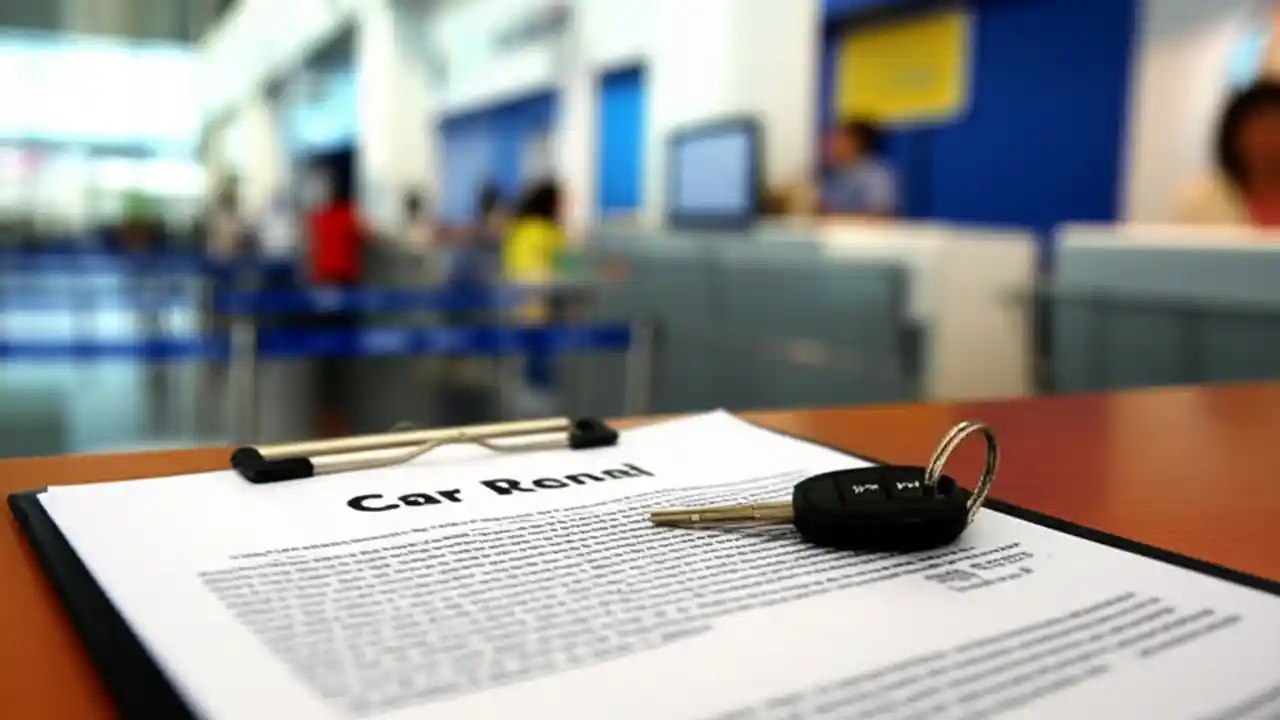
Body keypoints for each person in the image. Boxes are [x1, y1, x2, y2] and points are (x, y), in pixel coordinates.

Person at [1175, 80, 1280, 227]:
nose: (1269, 141)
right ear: (1235, 137)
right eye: (1259, 131)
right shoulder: (1200, 201)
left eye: (1275, 128)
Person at [820, 119, 899, 217]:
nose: (829, 146)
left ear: (854, 143)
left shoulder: (876, 175)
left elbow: (880, 215)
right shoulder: (832, 174)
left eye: (837, 140)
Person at [503, 179, 565, 287]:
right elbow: (568, 266)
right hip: (541, 292)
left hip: (515, 294)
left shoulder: (518, 229)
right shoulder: (546, 232)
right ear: (552, 204)